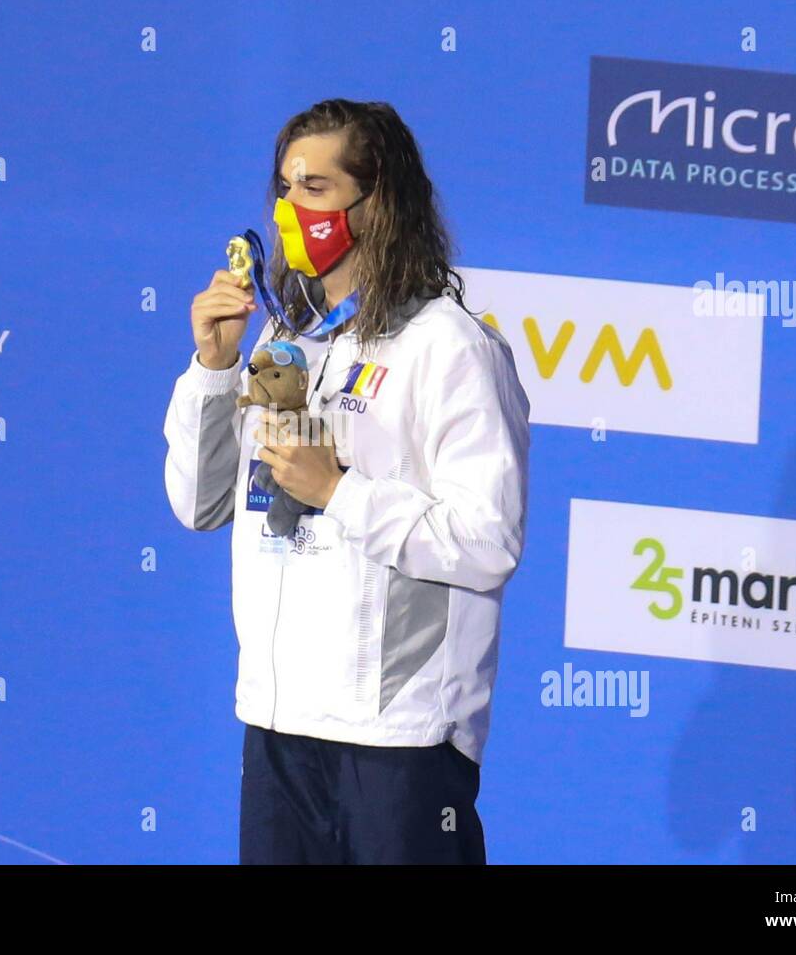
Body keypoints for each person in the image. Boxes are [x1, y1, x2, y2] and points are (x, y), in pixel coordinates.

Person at [162, 99, 531, 864]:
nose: (291, 209)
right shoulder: (283, 336)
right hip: (277, 724)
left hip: (398, 738)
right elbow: (199, 505)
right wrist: (213, 367)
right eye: (285, 188)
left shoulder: (450, 348)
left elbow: (488, 543)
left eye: (317, 189)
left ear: (378, 202)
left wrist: (340, 492)